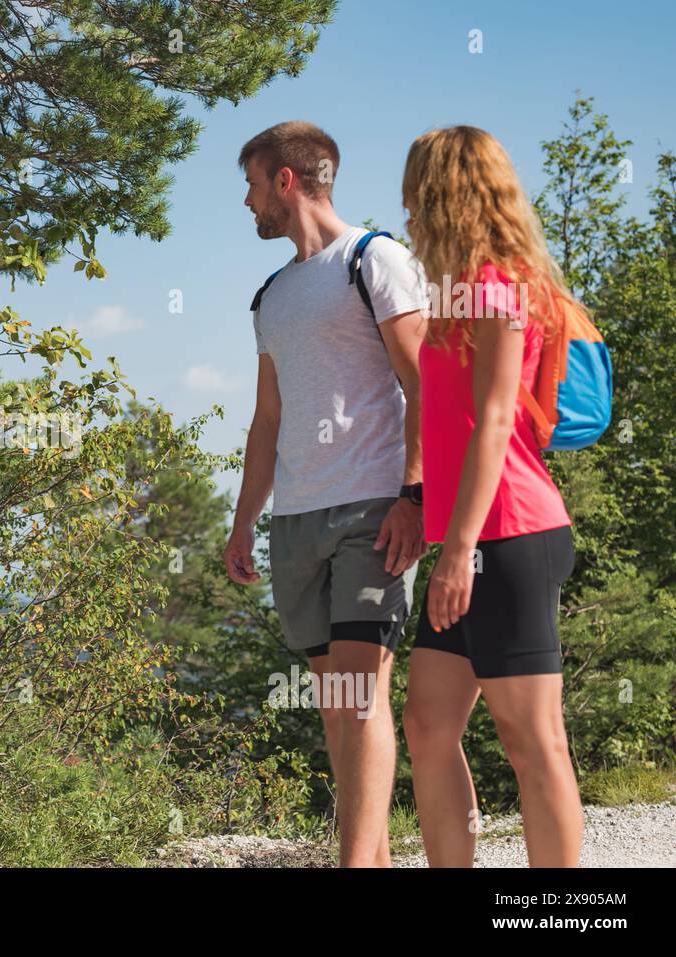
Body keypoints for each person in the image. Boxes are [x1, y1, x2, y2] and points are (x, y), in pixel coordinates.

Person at [224, 121, 429, 867]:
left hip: (374, 506)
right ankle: (369, 859)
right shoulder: (271, 296)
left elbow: (422, 382)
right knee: (337, 706)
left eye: (251, 185)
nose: (247, 203)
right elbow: (268, 419)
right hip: (297, 518)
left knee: (359, 693)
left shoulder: (374, 260)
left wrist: (416, 495)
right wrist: (245, 521)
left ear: (286, 181)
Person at [401, 125, 583, 867]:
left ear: (446, 193)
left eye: (416, 192)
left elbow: (497, 420)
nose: (408, 209)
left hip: (507, 536)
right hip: (471, 537)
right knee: (427, 726)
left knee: (532, 739)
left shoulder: (499, 286)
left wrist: (461, 550)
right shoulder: (458, 294)